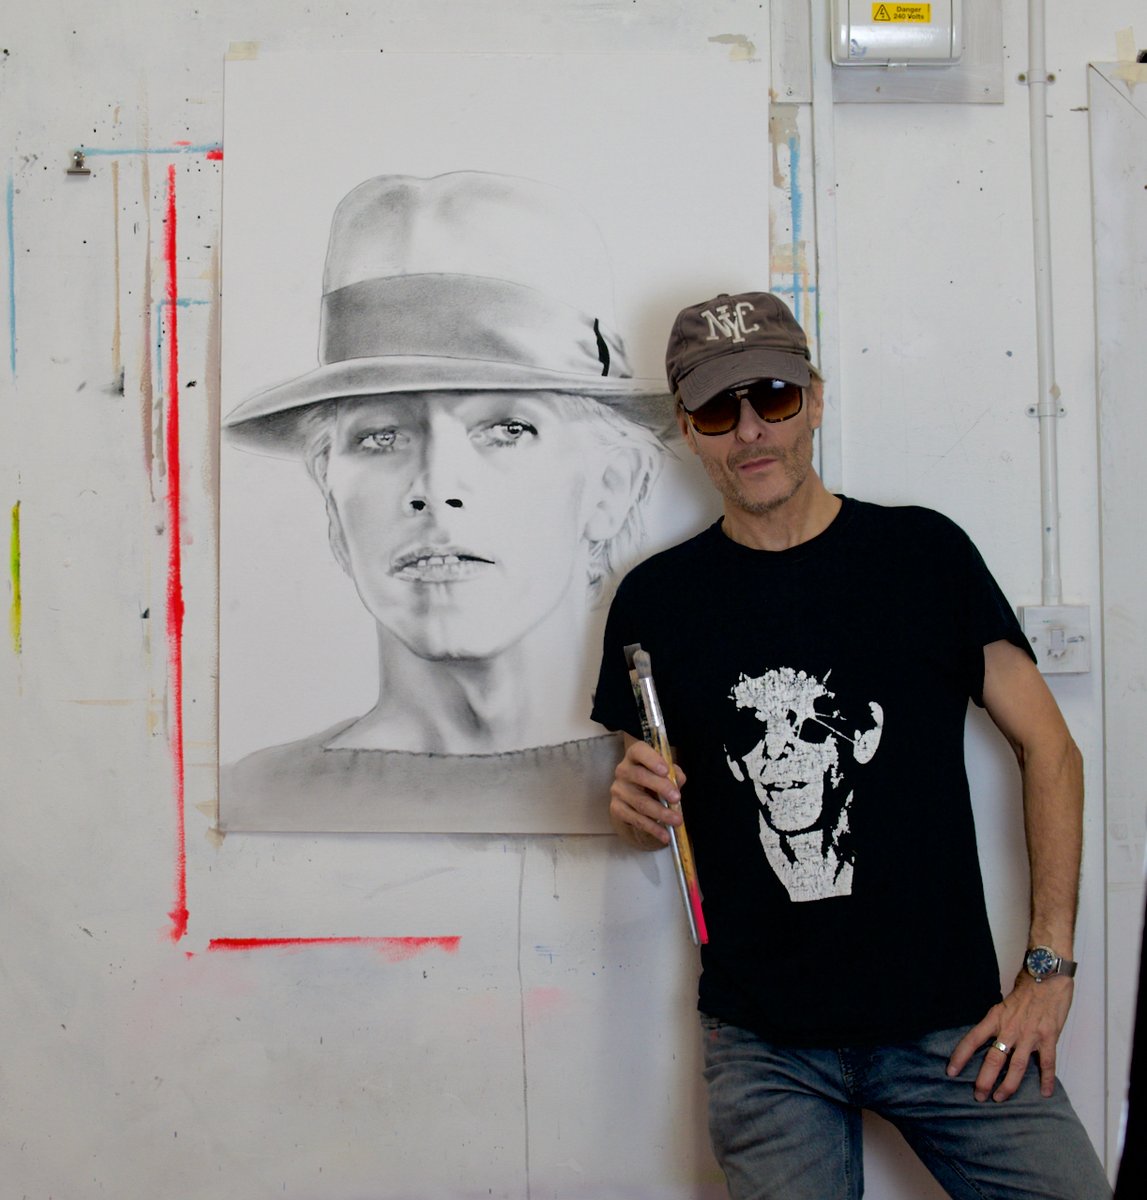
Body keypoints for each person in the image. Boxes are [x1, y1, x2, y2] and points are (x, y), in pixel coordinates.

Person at [591, 291, 1111, 1198]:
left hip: (950, 1027)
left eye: (772, 398)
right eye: (717, 410)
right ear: (687, 427)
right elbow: (649, 808)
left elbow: (1051, 750)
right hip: (763, 1046)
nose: (749, 431)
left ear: (815, 399)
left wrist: (1048, 971)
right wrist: (634, 813)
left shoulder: (924, 556)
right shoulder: (655, 604)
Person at [220, 171, 672, 834]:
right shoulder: (254, 800)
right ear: (330, 492)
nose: (436, 487)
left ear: (611, 485)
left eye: (507, 429)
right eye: (381, 436)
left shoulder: (673, 780)